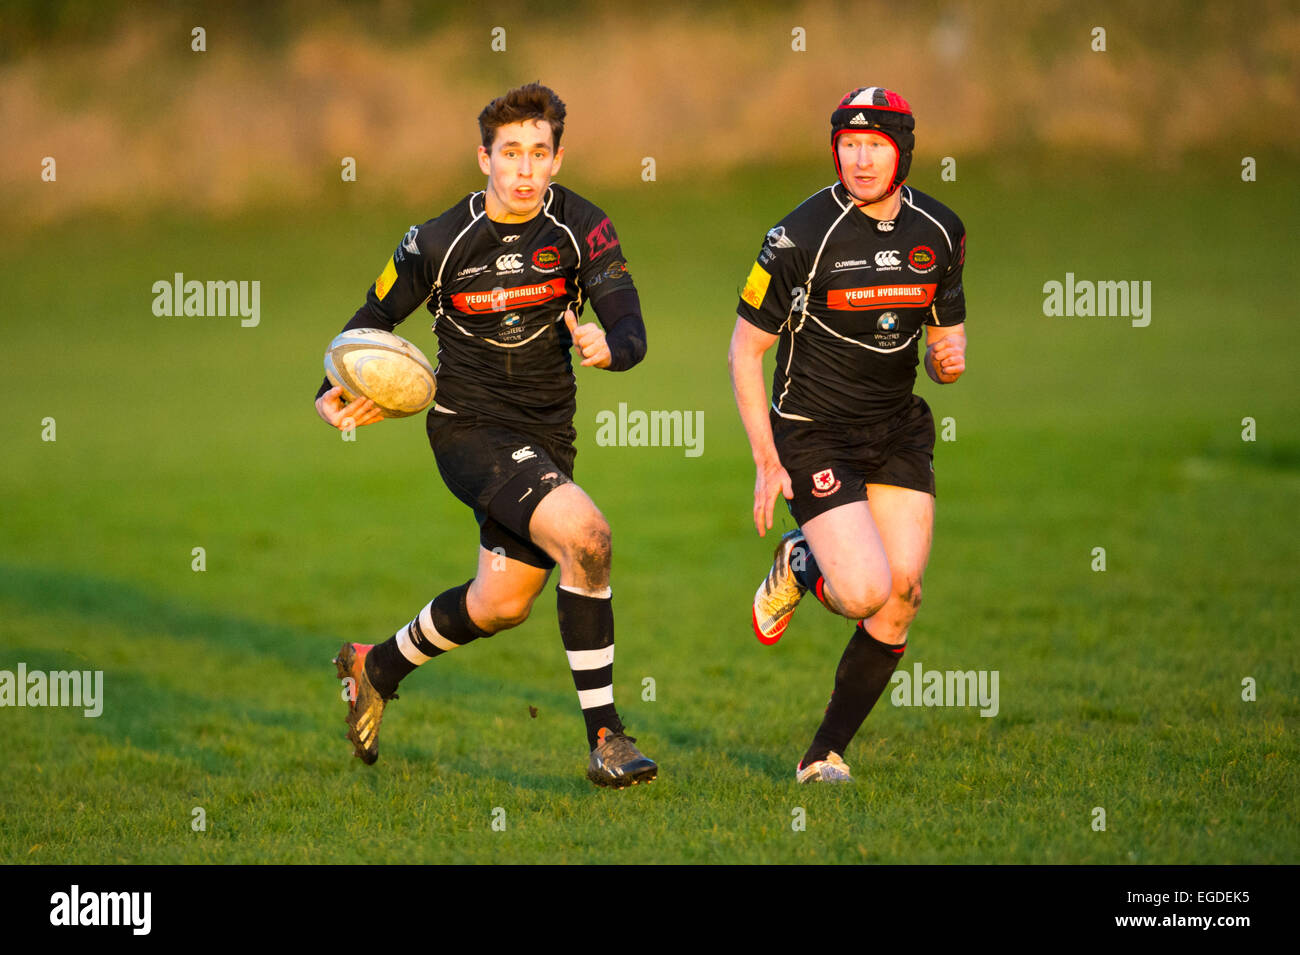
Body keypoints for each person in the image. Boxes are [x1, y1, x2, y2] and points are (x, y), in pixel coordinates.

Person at [316, 83, 656, 788]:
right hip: (467, 430)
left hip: (547, 435)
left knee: (501, 602)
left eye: (539, 153)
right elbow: (367, 323)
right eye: (511, 154)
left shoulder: (582, 228)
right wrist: (330, 391)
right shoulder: (436, 241)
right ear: (483, 157)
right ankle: (608, 738)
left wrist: (609, 345)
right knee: (588, 537)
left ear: (558, 159)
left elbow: (630, 323)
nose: (525, 170)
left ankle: (373, 665)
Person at [728, 87, 967, 784]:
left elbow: (945, 349)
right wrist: (766, 457)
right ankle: (804, 562)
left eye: (875, 146)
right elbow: (746, 352)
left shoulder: (940, 231)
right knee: (862, 592)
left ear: (903, 152)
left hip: (895, 429)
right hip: (813, 433)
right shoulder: (797, 235)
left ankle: (821, 754)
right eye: (848, 146)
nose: (860, 160)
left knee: (904, 595)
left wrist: (946, 363)